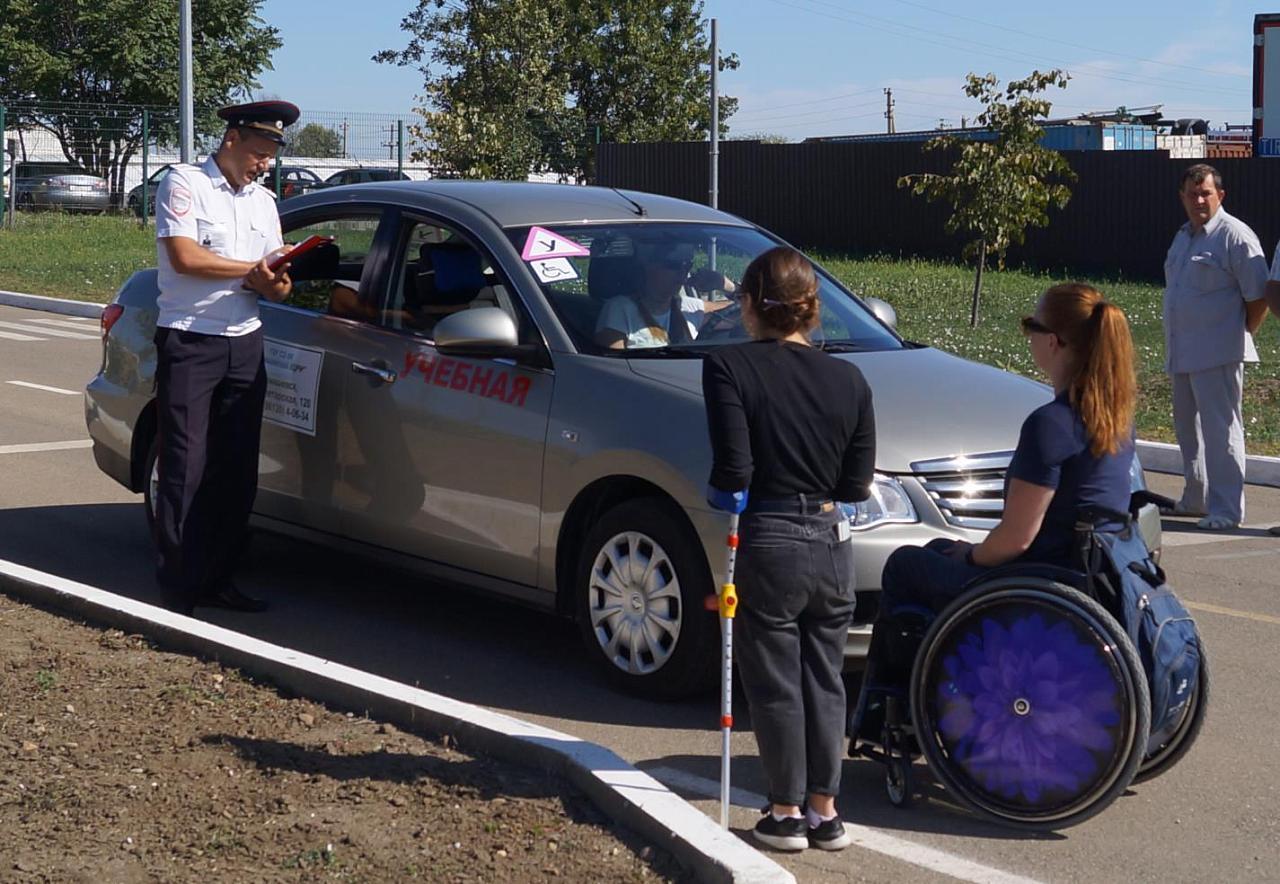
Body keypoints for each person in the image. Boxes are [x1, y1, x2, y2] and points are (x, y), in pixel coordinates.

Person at [702, 246, 876, 852]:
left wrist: (722, 495)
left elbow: (734, 471)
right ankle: (826, 811)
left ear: (749, 304)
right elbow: (856, 484)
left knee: (776, 679)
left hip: (771, 536)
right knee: (825, 677)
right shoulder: (850, 378)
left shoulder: (729, 368)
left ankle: (785, 811)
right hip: (832, 538)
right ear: (811, 308)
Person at [874, 282, 1136, 629]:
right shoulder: (1117, 418)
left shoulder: (1051, 424)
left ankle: (889, 683)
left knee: (905, 564)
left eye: (1032, 326)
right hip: (1094, 574)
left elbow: (1016, 538)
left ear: (1052, 341)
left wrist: (969, 553)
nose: (1028, 336)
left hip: (1039, 582)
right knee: (937, 548)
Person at [151, 100, 299, 615]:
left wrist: (276, 282)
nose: (264, 164)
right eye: (259, 153)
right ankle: (180, 586)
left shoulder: (263, 201)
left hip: (245, 342)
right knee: (184, 466)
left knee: (236, 471)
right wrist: (251, 272)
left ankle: (219, 577)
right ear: (232, 140)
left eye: (270, 156)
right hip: (191, 340)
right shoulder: (184, 184)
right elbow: (185, 257)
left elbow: (278, 282)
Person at [1162, 164, 1268, 530]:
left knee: (1221, 432)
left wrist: (1238, 335)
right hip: (1183, 351)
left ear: (1220, 195)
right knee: (1188, 430)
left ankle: (1226, 510)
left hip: (1219, 351)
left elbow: (1258, 297)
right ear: (1182, 198)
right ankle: (1197, 499)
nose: (1199, 200)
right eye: (1192, 194)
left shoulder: (1235, 236)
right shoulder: (1183, 236)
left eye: (1206, 193)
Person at [595, 241, 735, 349]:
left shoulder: (688, 306)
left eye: (687, 265)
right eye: (673, 265)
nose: (682, 272)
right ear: (648, 266)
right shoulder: (620, 309)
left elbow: (747, 311)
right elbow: (614, 367)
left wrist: (726, 285)